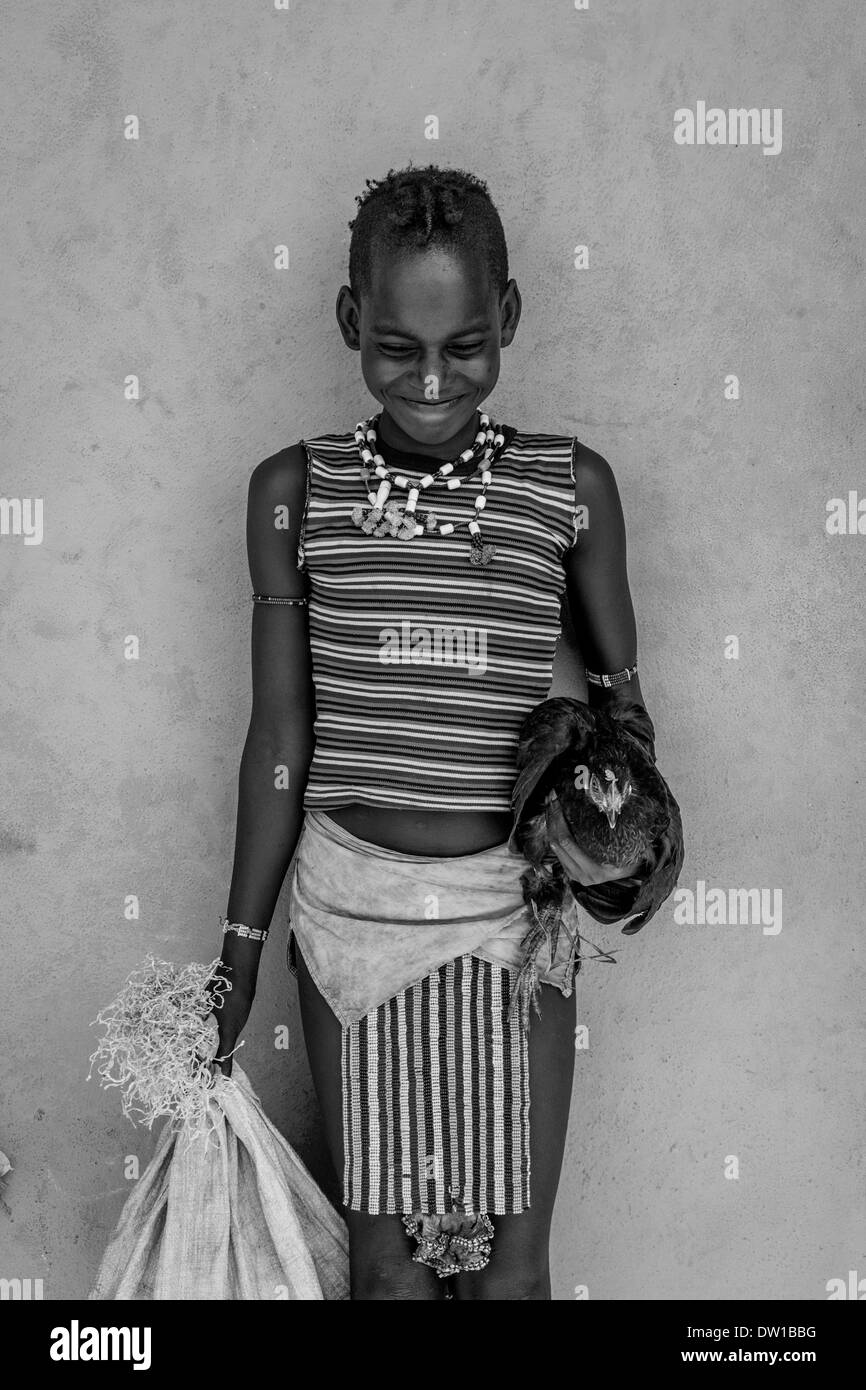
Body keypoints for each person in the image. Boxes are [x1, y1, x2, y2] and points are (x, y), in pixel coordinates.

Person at [213, 164, 653, 1301]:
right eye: (396, 345)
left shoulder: (570, 489)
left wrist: (618, 808)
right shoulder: (290, 491)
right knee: (388, 1269)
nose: (429, 376)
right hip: (345, 907)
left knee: (511, 1269)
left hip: (513, 912)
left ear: (505, 319)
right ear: (351, 320)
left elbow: (623, 703)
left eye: (463, 345)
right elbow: (281, 730)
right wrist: (238, 951)